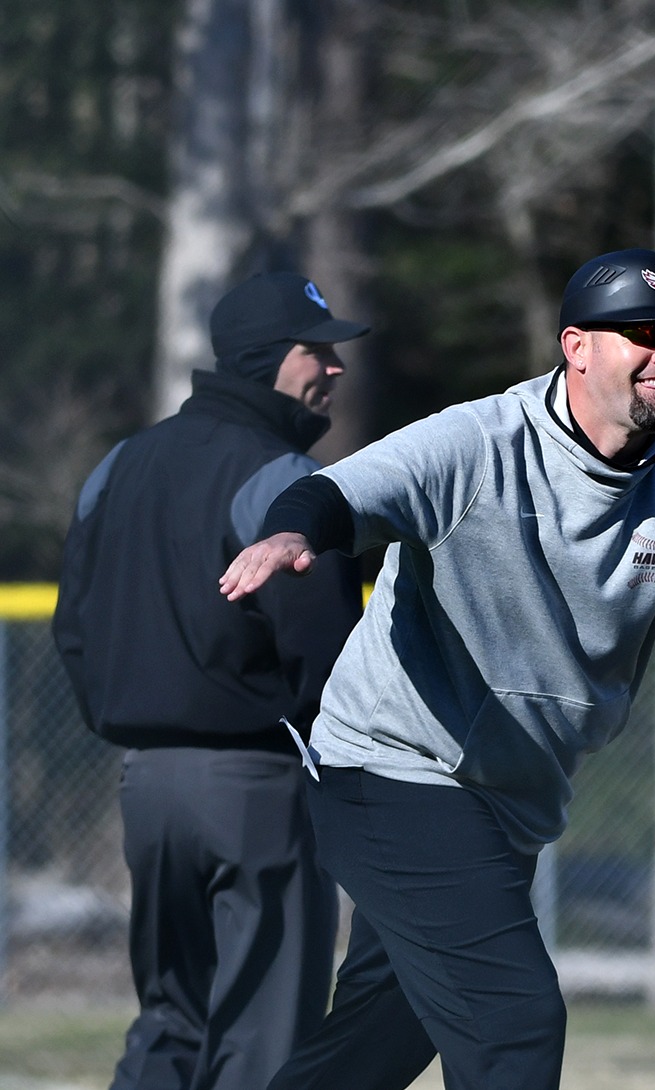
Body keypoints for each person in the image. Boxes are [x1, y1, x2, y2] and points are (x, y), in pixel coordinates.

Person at [218, 248, 655, 1090]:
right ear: (577, 346)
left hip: (508, 801)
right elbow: (343, 494)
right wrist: (294, 531)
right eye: (645, 334)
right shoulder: (480, 442)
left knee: (378, 1046)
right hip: (391, 768)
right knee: (513, 1021)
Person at [51, 271, 369, 1090]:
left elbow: (74, 629)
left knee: (170, 1022)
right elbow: (326, 655)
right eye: (317, 350)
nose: (334, 368)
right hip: (256, 786)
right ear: (269, 359)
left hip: (147, 788)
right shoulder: (282, 481)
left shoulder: (119, 464)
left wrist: (136, 725)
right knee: (266, 1033)